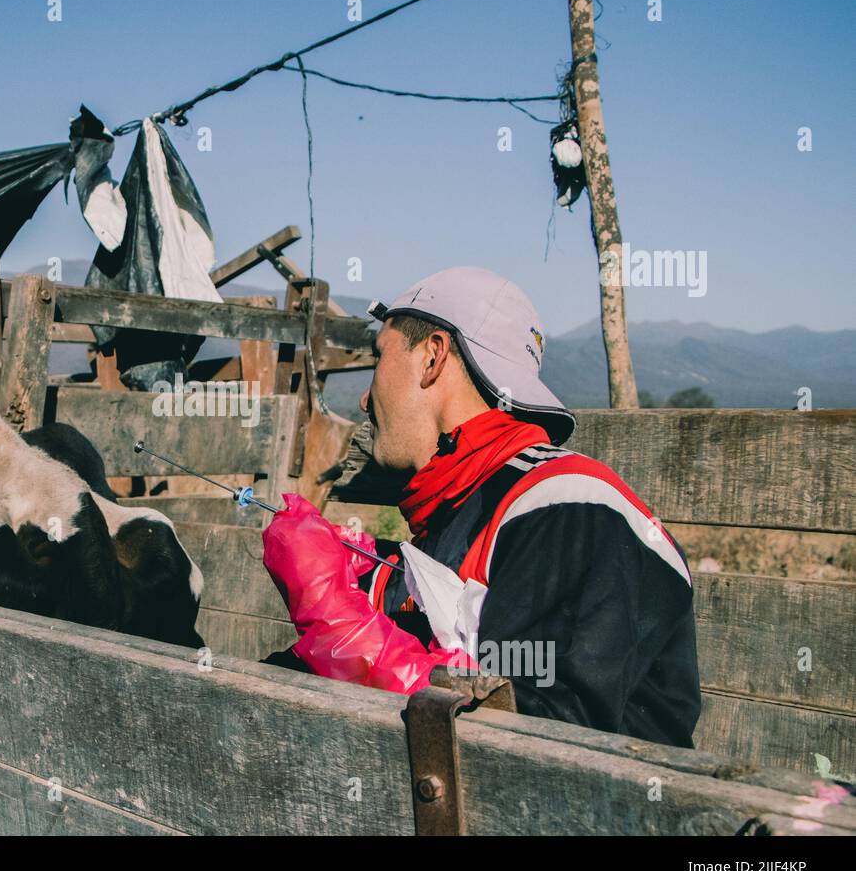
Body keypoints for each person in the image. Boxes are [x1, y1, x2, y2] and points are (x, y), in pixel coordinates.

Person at [261, 267, 701, 747]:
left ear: (432, 356)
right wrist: (375, 581)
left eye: (379, 359)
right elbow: (461, 642)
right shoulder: (468, 502)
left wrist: (338, 620)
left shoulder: (570, 507)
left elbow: (547, 736)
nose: (366, 398)